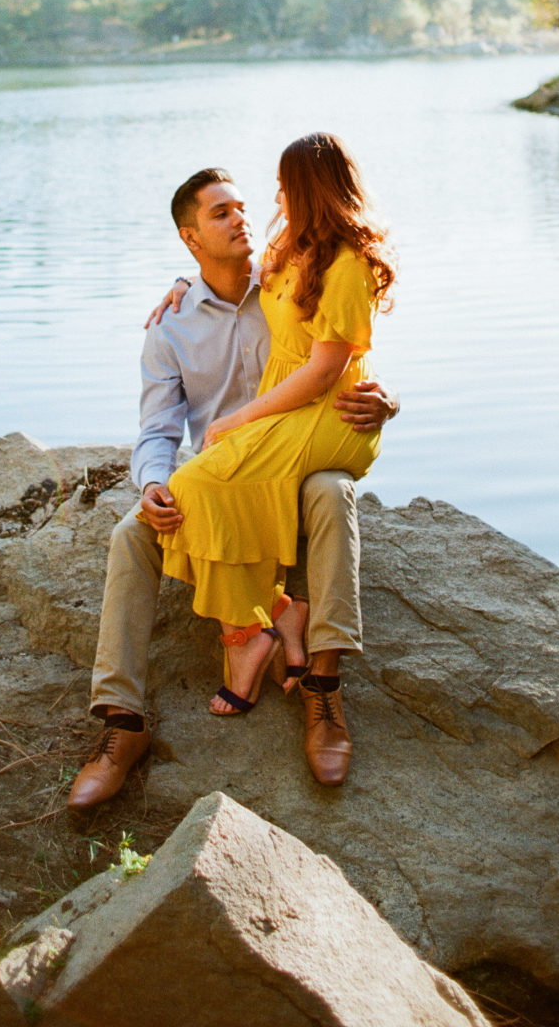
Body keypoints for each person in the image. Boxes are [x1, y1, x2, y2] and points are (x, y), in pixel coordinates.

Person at [66, 156, 397, 814]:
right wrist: (154, 483)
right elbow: (157, 430)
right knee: (132, 534)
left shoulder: (287, 276)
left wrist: (384, 400)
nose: (242, 219)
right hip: (228, 481)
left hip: (300, 463)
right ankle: (121, 723)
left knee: (331, 491)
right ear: (190, 239)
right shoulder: (171, 324)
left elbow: (344, 352)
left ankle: (323, 692)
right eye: (222, 213)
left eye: (243, 207)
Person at [159, 133, 396, 734]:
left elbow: (324, 372)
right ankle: (272, 619)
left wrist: (238, 419)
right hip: (295, 409)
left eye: (285, 183)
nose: (274, 195)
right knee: (196, 487)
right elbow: (240, 275)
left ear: (309, 188)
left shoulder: (347, 263)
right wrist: (186, 285)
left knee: (199, 483)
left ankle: (251, 634)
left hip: (333, 414)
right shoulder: (294, 248)